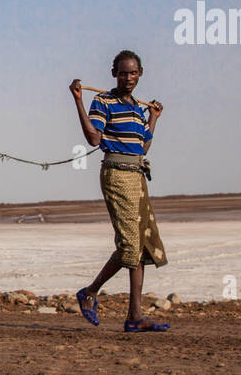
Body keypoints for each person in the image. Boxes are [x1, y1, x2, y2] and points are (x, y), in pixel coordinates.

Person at [70, 50, 169, 332]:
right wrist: (78, 101)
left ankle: (135, 317)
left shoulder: (139, 108)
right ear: (114, 73)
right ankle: (90, 292)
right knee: (129, 245)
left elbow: (143, 146)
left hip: (138, 177)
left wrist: (154, 119)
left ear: (140, 74)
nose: (128, 78)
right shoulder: (103, 101)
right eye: (123, 72)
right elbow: (93, 138)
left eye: (133, 73)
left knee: (140, 246)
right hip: (117, 176)